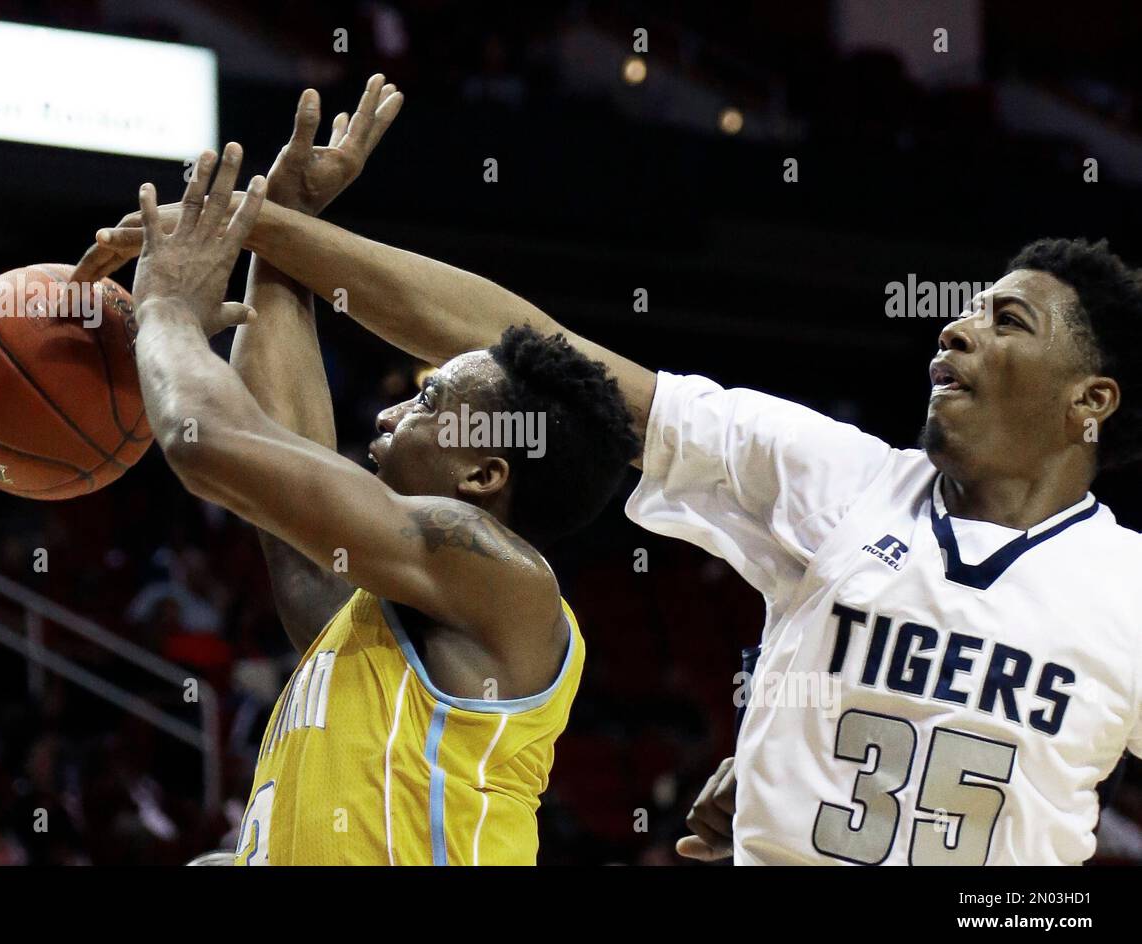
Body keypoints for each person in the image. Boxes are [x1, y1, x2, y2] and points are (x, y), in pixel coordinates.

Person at [85, 83, 1142, 865]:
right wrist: (275, 233)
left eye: (1006, 320)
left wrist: (203, 270)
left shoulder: (1125, 591)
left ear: (1090, 400)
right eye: (964, 307)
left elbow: (221, 444)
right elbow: (540, 350)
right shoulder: (837, 478)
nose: (954, 327)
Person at [111, 83, 639, 864]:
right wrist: (283, 233)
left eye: (427, 400)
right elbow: (287, 502)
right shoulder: (382, 614)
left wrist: (166, 309)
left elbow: (208, 441)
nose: (390, 413)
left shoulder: (508, 580)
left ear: (483, 473)